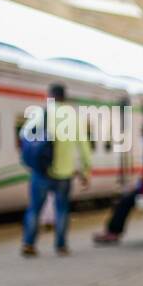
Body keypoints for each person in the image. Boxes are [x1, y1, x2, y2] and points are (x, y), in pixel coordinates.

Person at [21, 83, 91, 257]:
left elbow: (24, 134)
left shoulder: (42, 113)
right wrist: (85, 171)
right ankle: (61, 246)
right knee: (62, 210)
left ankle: (29, 244)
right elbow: (84, 147)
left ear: (50, 96)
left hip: (42, 171)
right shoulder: (73, 118)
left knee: (35, 209)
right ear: (64, 97)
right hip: (64, 173)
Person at [93, 124, 143, 245]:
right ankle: (112, 231)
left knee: (124, 202)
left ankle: (113, 232)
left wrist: (139, 186)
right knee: (124, 200)